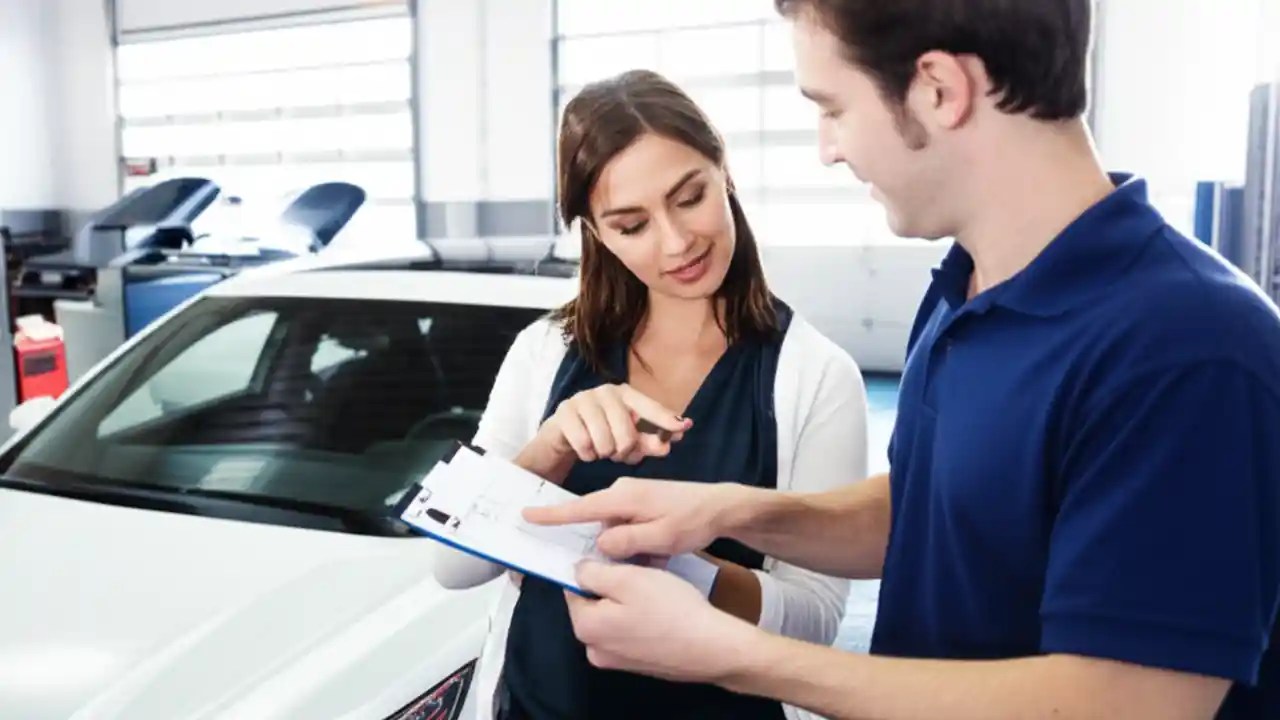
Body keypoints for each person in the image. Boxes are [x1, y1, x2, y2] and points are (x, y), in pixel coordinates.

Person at [522, 2, 1280, 719]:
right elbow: (934, 508)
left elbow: (1129, 704)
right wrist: (728, 511)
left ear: (938, 89)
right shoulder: (964, 292)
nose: (828, 148)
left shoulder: (1190, 346)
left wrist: (730, 653)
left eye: (832, 108)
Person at [430, 69, 869, 720]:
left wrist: (683, 570)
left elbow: (813, 619)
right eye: (631, 225)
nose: (677, 242)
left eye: (690, 196)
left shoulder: (814, 376)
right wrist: (549, 448)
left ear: (723, 169)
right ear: (597, 233)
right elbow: (450, 566)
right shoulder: (543, 351)